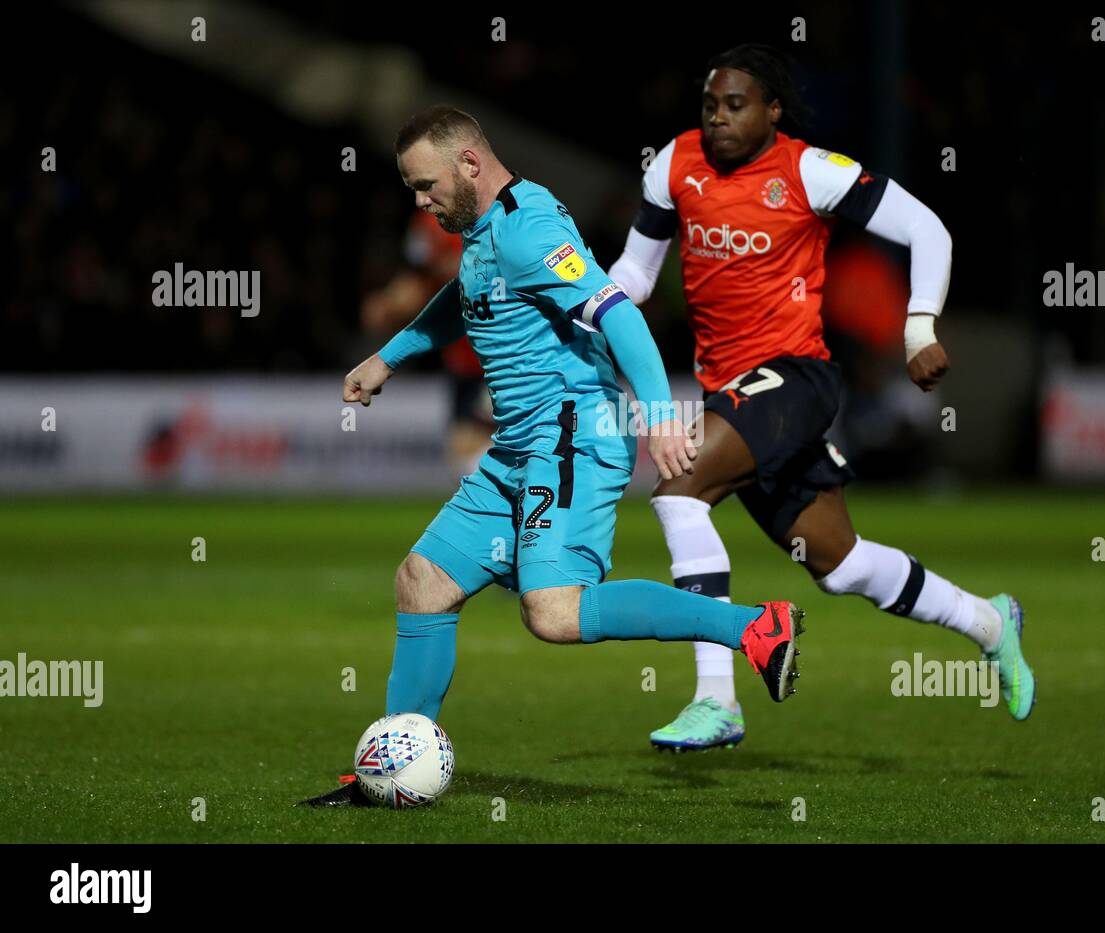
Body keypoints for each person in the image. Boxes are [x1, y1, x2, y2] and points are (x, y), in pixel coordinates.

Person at [301, 105, 804, 805]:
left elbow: (618, 312)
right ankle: (388, 763)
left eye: (424, 185)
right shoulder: (482, 230)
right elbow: (463, 299)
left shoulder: (529, 227)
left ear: (468, 163)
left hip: (573, 433)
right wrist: (390, 356)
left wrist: (659, 415)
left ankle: (752, 625)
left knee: (556, 612)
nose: (419, 201)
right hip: (519, 443)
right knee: (423, 579)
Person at [607, 45, 1035, 751]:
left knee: (680, 485)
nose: (717, 118)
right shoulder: (674, 164)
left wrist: (918, 323)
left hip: (794, 380)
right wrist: (585, 310)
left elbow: (929, 228)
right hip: (734, 394)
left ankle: (717, 699)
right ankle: (991, 622)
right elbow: (635, 273)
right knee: (842, 564)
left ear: (773, 110)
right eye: (710, 105)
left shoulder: (809, 171)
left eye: (735, 104)